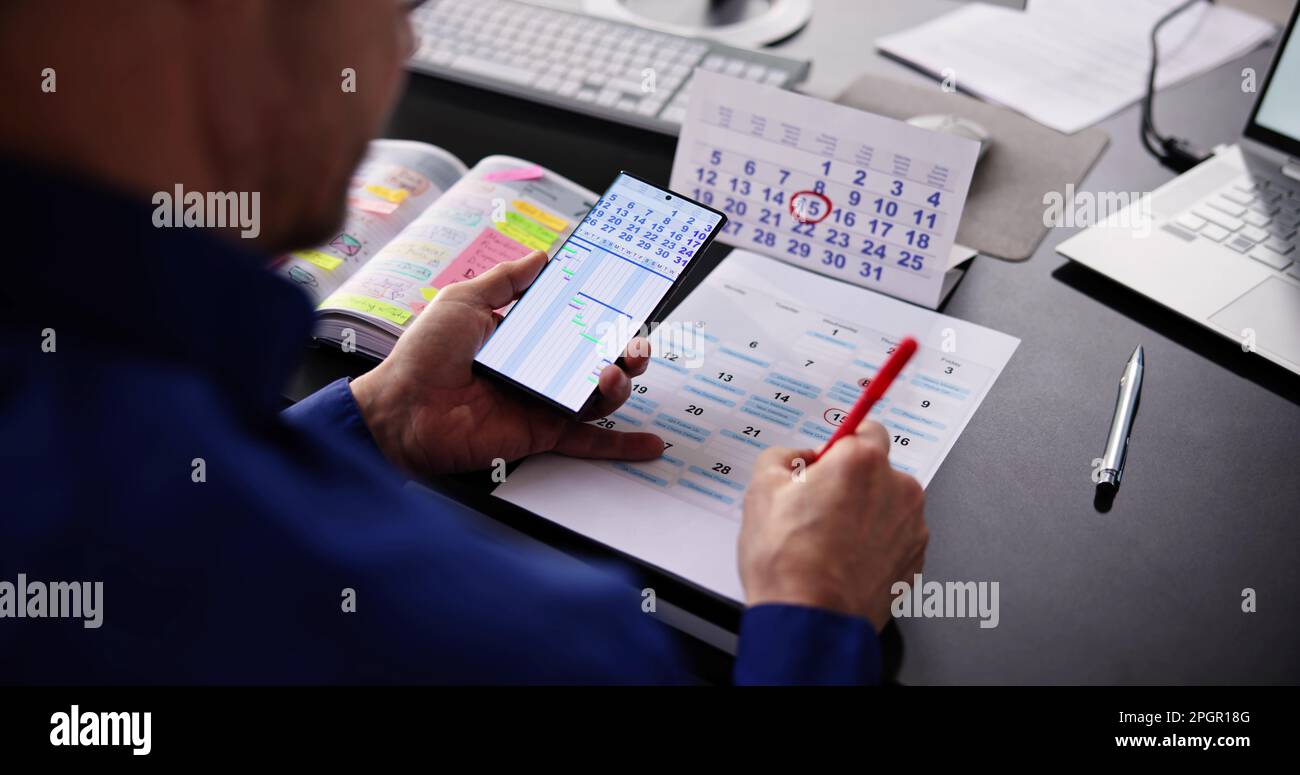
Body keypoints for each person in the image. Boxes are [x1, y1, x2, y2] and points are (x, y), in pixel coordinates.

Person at [0, 0, 927, 684]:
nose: (404, 46)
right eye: (401, 9)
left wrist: (376, 415)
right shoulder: (521, 647)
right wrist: (819, 613)